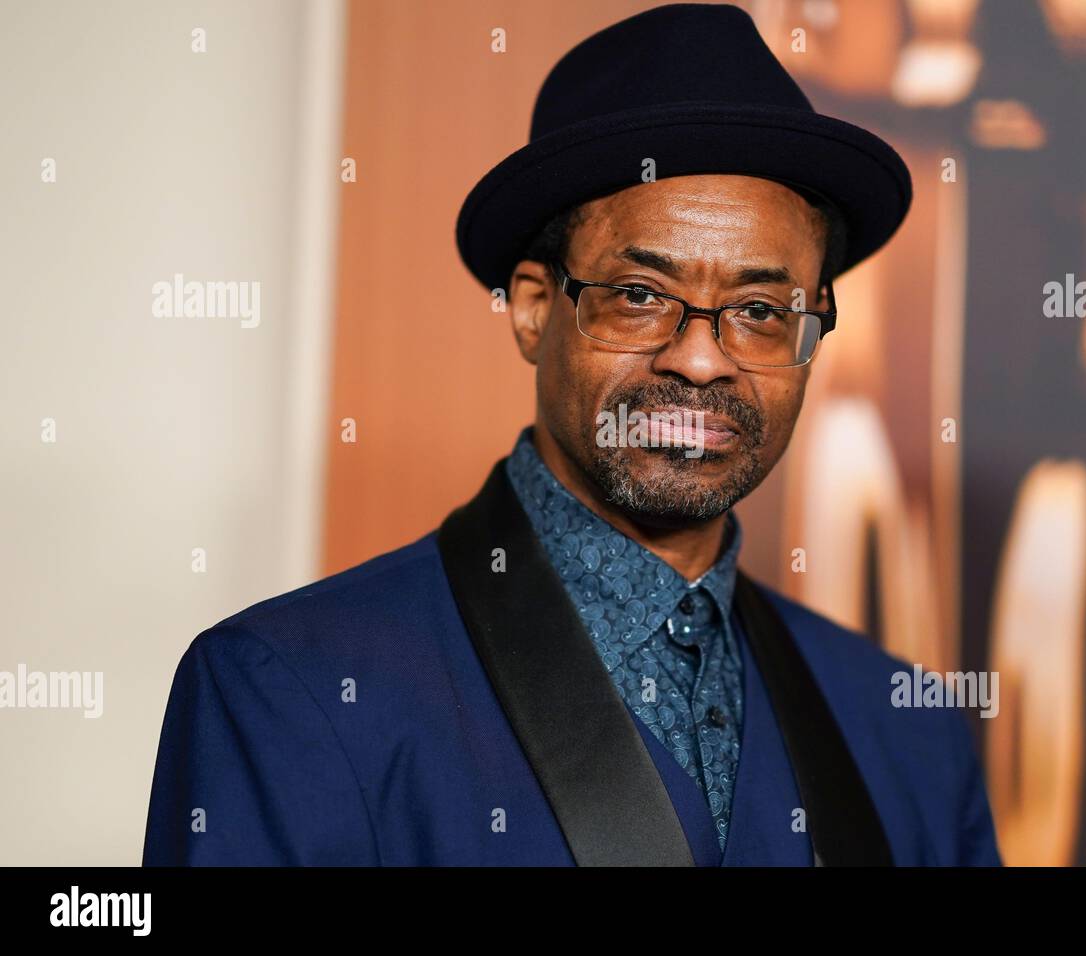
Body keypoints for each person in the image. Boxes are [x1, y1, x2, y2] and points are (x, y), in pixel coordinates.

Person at [143, 2, 1001, 867]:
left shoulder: (909, 733)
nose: (700, 361)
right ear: (531, 307)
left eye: (758, 311)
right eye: (638, 294)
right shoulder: (292, 694)